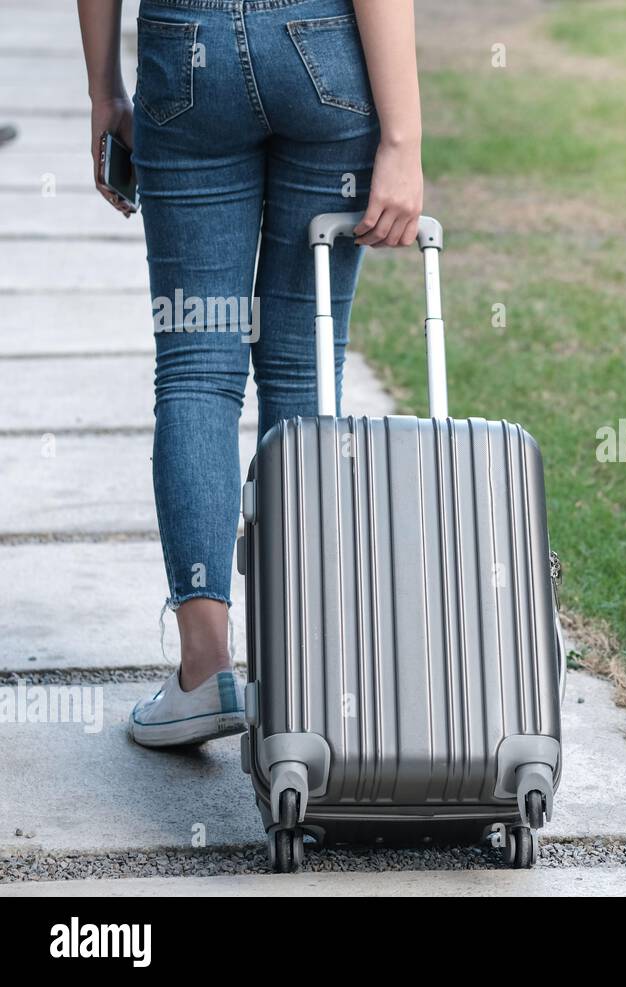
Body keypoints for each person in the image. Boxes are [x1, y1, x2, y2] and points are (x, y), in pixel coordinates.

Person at [76, 0, 423, 746]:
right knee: (302, 363)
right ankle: (301, 678)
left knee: (198, 366)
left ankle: (206, 672)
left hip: (185, 49)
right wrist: (402, 137)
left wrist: (104, 92)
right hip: (323, 47)